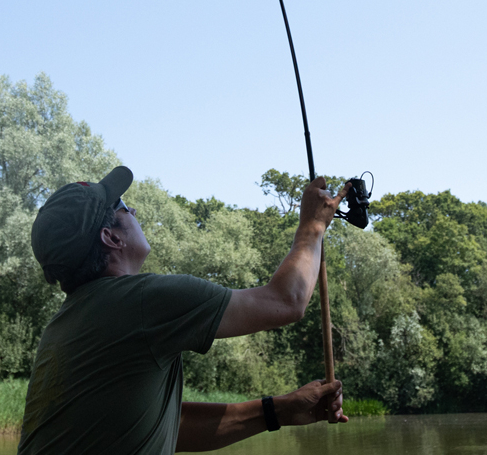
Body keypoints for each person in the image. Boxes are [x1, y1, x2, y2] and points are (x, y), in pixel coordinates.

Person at [18, 165, 351, 454]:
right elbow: (286, 300)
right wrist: (313, 226)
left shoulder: (64, 327)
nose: (132, 209)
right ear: (111, 238)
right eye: (121, 206)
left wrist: (278, 411)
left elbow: (166, 425)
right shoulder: (143, 301)